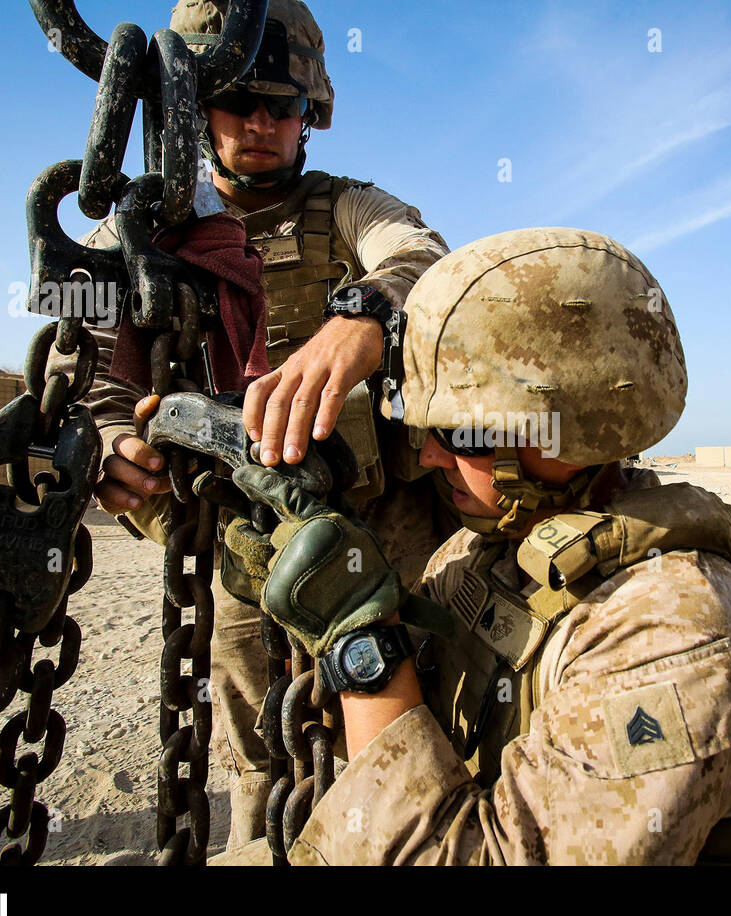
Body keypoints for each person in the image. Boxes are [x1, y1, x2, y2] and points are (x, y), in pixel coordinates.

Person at [228, 227, 731, 864]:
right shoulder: (488, 554)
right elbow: (398, 719)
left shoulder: (674, 632)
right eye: (423, 428)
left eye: (459, 432)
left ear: (569, 429)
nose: (427, 455)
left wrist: (361, 641)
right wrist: (310, 605)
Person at [78, 0, 457, 848]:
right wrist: (113, 447)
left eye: (281, 105)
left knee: (405, 726)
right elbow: (88, 370)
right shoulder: (140, 231)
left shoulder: (347, 206)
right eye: (238, 99)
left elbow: (423, 255)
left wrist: (365, 316)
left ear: (308, 116)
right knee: (265, 756)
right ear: (193, 105)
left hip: (377, 525)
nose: (259, 122)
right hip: (239, 544)